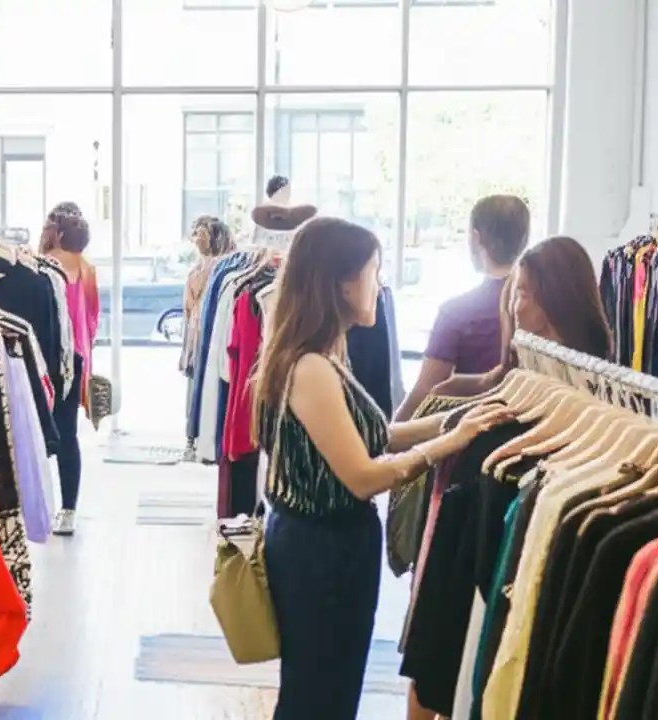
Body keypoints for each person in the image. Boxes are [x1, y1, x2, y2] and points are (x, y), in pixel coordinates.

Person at [250, 217, 514, 720]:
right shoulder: (311, 367)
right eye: (374, 270)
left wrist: (454, 422)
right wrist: (447, 443)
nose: (379, 282)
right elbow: (365, 475)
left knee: (323, 684)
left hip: (321, 545)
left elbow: (374, 436)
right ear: (342, 282)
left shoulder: (319, 354)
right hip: (322, 552)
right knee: (320, 691)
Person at [395, 195, 530, 421]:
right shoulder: (544, 307)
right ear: (524, 240)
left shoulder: (457, 314)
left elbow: (424, 393)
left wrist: (388, 435)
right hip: (534, 430)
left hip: (472, 436)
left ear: (476, 238)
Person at [433, 235, 611, 398]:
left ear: (554, 300)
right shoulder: (513, 377)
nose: (516, 309)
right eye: (517, 295)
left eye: (523, 295)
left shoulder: (590, 392)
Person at [40, 205, 100, 536]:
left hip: (45, 355)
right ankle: (68, 509)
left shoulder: (46, 266)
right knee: (68, 435)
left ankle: (36, 505)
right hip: (75, 359)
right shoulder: (88, 271)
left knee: (33, 431)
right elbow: (92, 321)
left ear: (58, 234)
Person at [180, 215, 235, 375]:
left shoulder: (213, 268)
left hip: (208, 334)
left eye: (201, 234)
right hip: (198, 333)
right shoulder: (202, 267)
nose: (196, 239)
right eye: (195, 234)